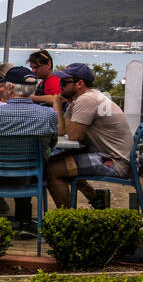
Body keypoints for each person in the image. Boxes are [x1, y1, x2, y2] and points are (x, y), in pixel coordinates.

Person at [0, 66, 59, 237]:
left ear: (9, 87)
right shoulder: (48, 115)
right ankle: (25, 221)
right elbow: (52, 143)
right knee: (27, 164)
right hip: (29, 176)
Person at [45, 62, 135, 208]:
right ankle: (97, 200)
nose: (60, 86)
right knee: (53, 163)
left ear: (79, 83)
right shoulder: (81, 99)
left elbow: (73, 135)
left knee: (51, 171)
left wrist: (58, 105)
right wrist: (61, 104)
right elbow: (62, 131)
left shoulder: (87, 100)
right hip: (107, 155)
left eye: (64, 82)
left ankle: (66, 221)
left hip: (114, 161)